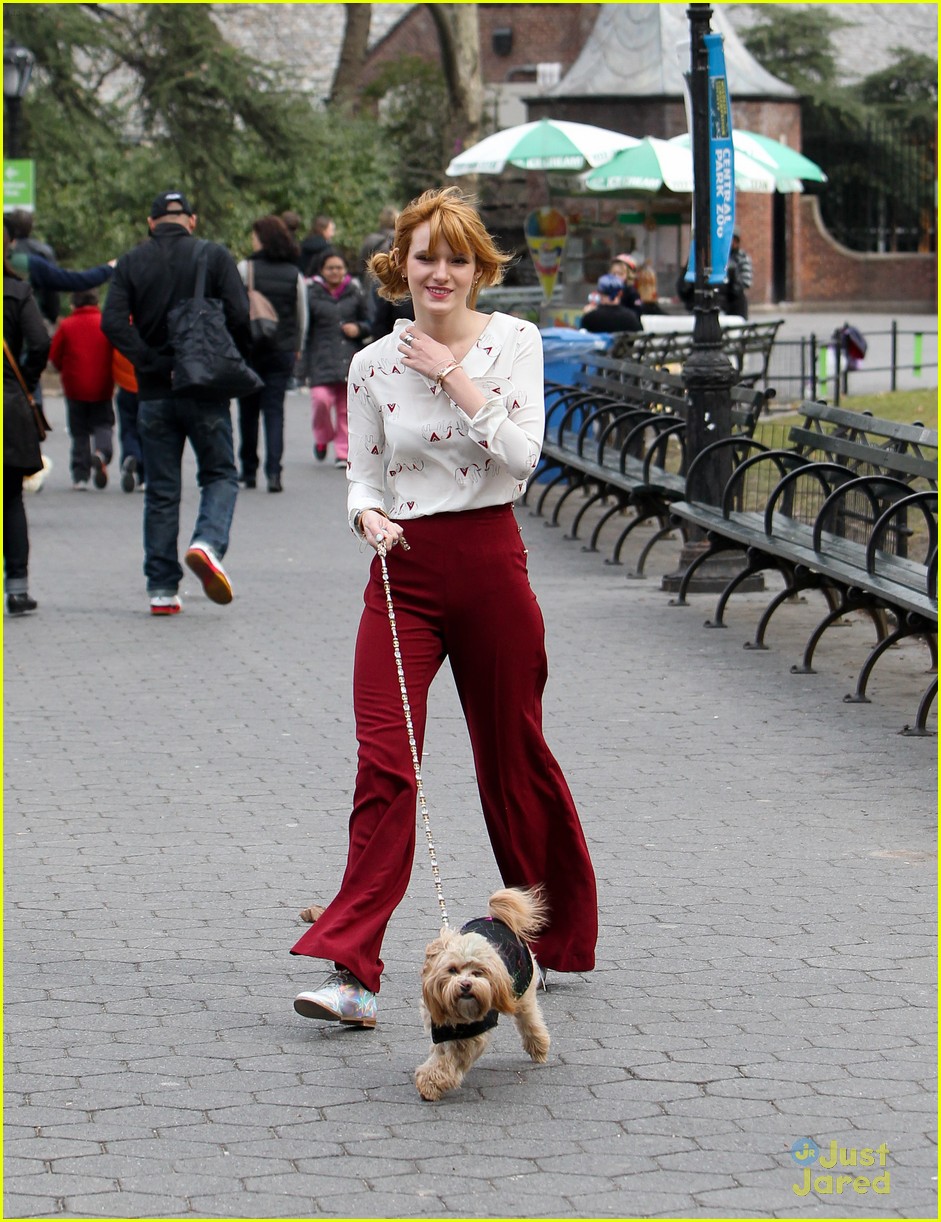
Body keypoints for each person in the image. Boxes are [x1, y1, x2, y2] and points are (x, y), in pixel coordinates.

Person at [290, 186, 597, 1028]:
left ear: (477, 268)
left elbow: (524, 457)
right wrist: (365, 515)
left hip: (492, 564)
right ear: (401, 262)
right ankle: (351, 972)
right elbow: (363, 474)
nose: (440, 272)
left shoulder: (515, 341)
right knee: (384, 764)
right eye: (424, 255)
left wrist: (453, 376)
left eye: (457, 258)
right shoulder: (370, 364)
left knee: (513, 757)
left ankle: (547, 936)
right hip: (403, 574)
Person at [102, 190, 248, 616]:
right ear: (192, 220)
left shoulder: (131, 261)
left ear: (151, 223)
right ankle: (207, 543)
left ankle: (162, 589)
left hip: (153, 392)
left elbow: (112, 321)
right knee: (219, 473)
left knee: (161, 490)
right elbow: (240, 315)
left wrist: (149, 361)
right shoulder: (213, 255)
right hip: (204, 387)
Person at [236, 215, 308, 492]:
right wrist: (297, 345)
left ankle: (248, 470)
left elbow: (235, 308)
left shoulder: (246, 268)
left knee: (248, 411)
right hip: (282, 349)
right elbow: (301, 314)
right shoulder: (294, 274)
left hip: (250, 348)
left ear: (262, 239)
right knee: (274, 411)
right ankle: (274, 473)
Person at [3, 229, 50, 615]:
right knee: (10, 498)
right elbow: (40, 342)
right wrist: (27, 381)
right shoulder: (17, 292)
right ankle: (17, 589)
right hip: (9, 404)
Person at [303, 250, 370, 468]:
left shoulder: (355, 292)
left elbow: (369, 321)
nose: (335, 272)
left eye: (339, 268)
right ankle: (322, 437)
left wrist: (358, 328)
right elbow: (303, 328)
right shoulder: (311, 293)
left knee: (345, 409)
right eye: (330, 268)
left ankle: (343, 452)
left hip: (348, 358)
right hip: (320, 358)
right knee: (320, 401)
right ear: (322, 271)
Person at [49, 289, 116, 491]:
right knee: (103, 423)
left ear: (74, 304)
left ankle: (80, 476)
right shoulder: (105, 323)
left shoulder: (67, 325)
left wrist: (62, 369)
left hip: (74, 387)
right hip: (102, 385)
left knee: (79, 431)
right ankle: (102, 452)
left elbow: (55, 356)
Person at [112, 344, 144, 493]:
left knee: (128, 428)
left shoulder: (123, 331)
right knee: (147, 431)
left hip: (126, 387)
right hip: (147, 387)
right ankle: (144, 476)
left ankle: (131, 455)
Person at [724, 232, 753, 319]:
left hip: (737, 299)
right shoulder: (723, 256)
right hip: (723, 300)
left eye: (732, 240)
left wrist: (734, 285)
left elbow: (746, 280)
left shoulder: (742, 257)